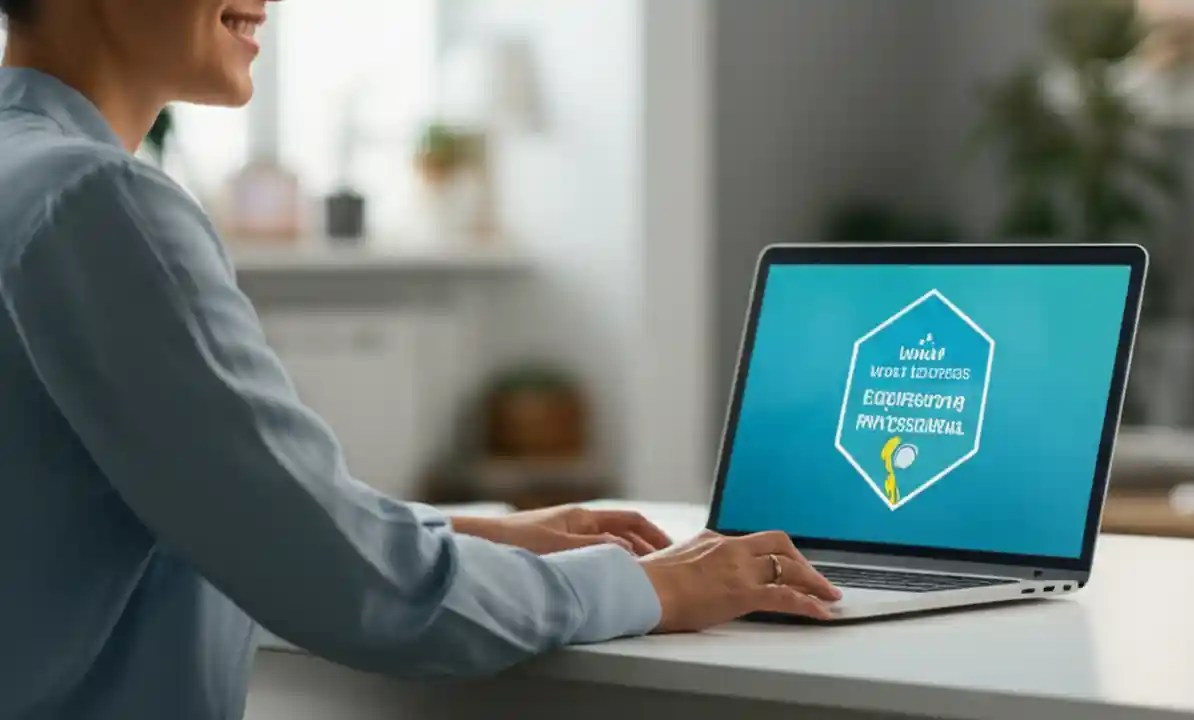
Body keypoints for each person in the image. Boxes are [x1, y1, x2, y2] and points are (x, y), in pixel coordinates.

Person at [0, 1, 841, 718]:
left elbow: (177, 515)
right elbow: (345, 586)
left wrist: (473, 533)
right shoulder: (100, 201)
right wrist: (653, 590)